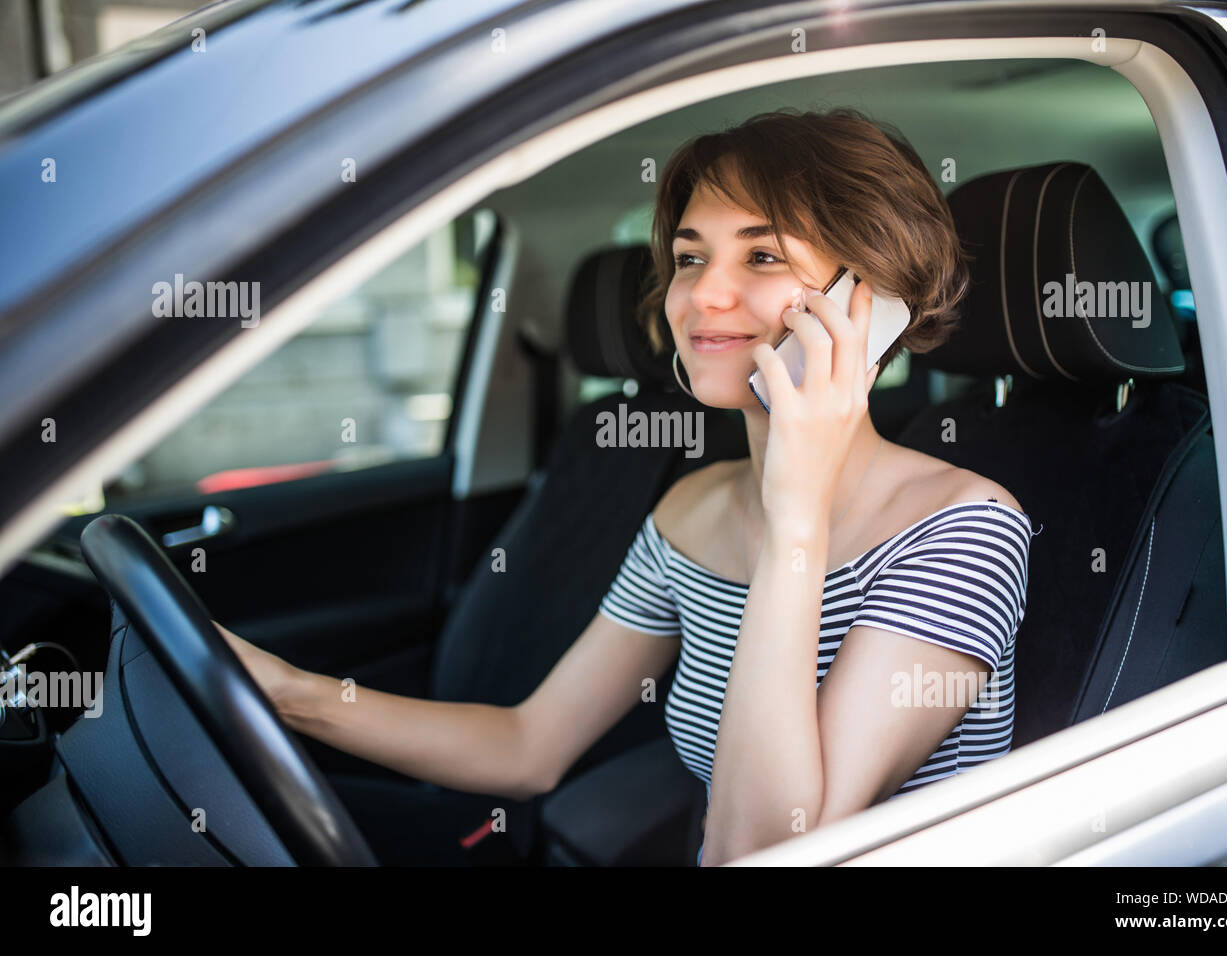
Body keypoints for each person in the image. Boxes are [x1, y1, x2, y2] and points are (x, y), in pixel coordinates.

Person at [216, 107, 1034, 867]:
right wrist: (290, 696)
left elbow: (766, 848)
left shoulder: (963, 530)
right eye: (689, 257)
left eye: (761, 255)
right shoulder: (691, 509)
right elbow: (530, 745)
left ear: (873, 301)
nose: (702, 296)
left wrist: (796, 521)